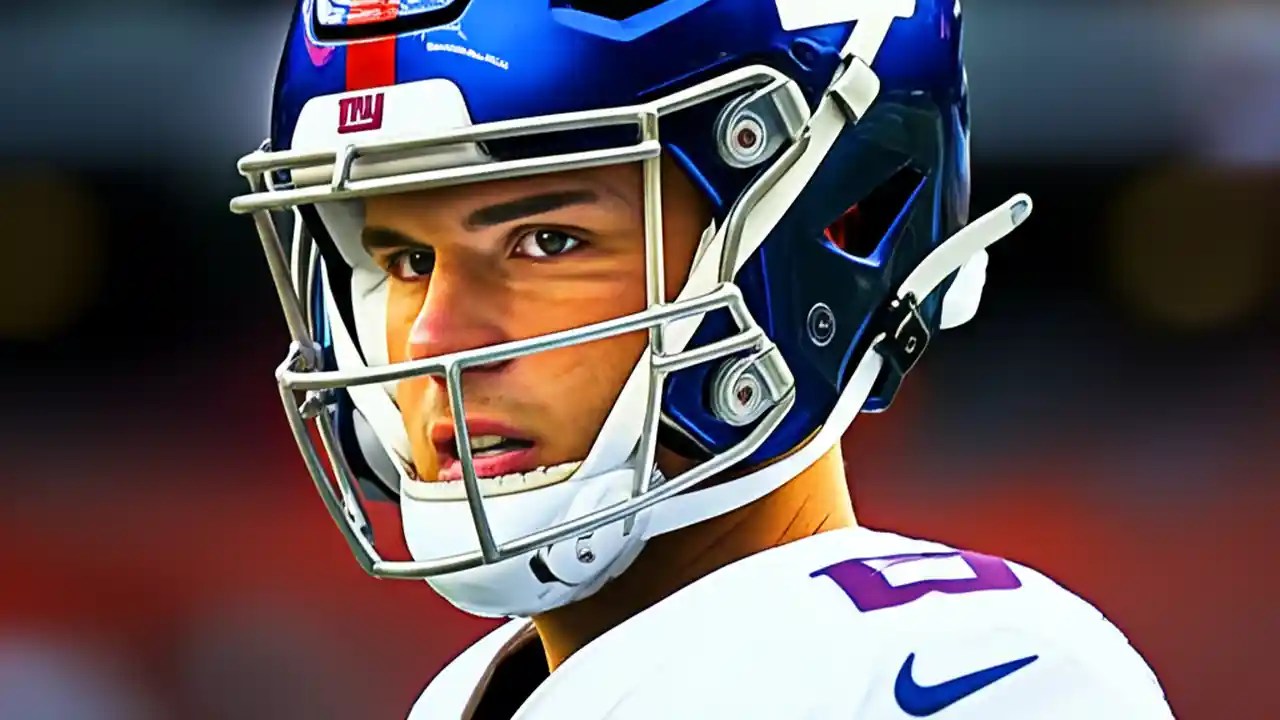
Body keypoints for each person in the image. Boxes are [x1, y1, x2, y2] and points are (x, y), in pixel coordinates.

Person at [230, 0, 1175, 717]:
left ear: (827, 229)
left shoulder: (972, 676)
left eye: (546, 242)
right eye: (403, 261)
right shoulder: (470, 694)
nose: (432, 339)